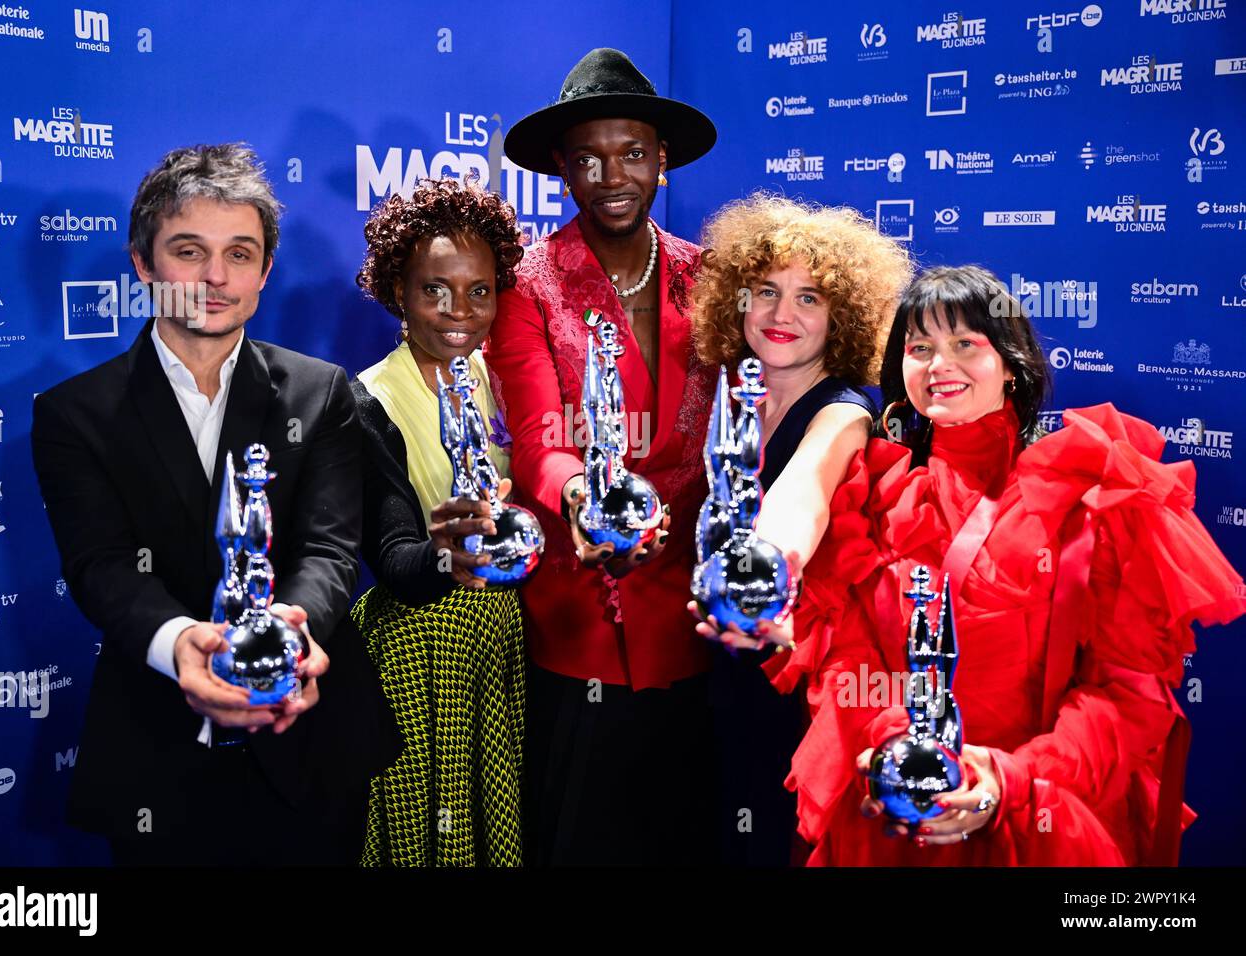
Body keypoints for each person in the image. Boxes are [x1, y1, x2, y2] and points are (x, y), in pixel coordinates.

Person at [764, 265, 1245, 865]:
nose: (940, 364)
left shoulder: (1091, 500)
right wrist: (900, 750)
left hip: (1039, 816)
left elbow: (1128, 699)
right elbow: (846, 666)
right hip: (894, 813)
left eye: (965, 343)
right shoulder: (872, 498)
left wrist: (1004, 779)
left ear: (1012, 365)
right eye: (920, 348)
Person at [30, 143, 400, 865]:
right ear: (143, 263)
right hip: (157, 756)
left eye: (240, 254)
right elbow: (101, 565)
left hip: (313, 747)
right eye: (189, 250)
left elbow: (328, 550)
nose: (214, 278)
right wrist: (181, 646)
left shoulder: (320, 391)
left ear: (265, 272)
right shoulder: (75, 413)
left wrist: (282, 642)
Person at [486, 47, 720, 864]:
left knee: (688, 838)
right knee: (581, 840)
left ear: (662, 161)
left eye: (630, 154)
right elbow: (537, 437)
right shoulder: (526, 281)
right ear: (561, 167)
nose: (610, 175)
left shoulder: (711, 277)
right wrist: (585, 500)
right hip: (582, 604)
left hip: (699, 609)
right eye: (587, 157)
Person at [686, 195, 912, 864]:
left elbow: (802, 498)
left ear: (841, 318)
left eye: (809, 298)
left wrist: (763, 570)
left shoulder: (842, 413)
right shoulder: (736, 394)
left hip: (784, 691)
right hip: (715, 675)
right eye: (766, 292)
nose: (783, 314)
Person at [350, 177, 527, 866]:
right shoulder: (368, 399)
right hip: (422, 657)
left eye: (480, 289)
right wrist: (447, 550)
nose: (461, 310)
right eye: (435, 288)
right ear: (399, 288)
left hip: (502, 644)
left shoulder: (504, 376)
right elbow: (393, 562)